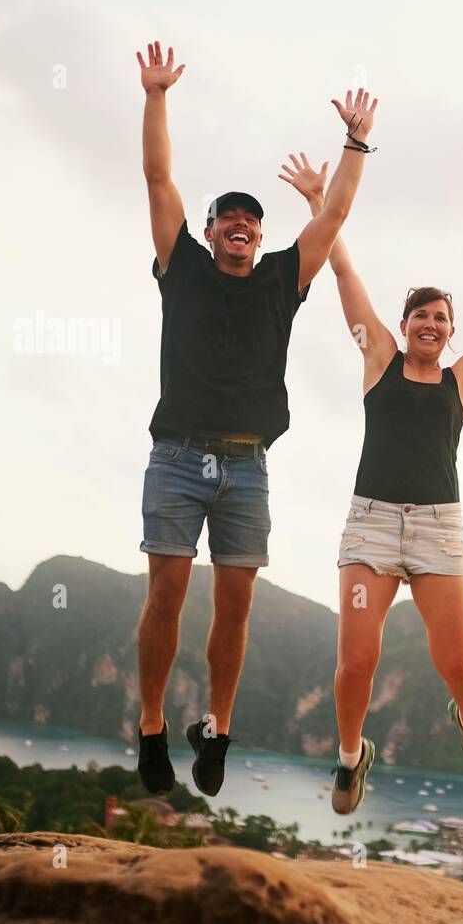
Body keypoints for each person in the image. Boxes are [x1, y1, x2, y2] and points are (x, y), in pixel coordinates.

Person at [134, 41, 378, 798]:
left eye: (250, 219)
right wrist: (157, 96)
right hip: (177, 457)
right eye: (227, 218)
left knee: (235, 605)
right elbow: (158, 178)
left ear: (260, 236)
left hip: (247, 464)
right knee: (167, 593)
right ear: (210, 232)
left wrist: (355, 142)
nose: (239, 224)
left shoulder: (282, 278)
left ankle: (217, 728)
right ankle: (151, 727)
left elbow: (335, 212)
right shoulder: (182, 267)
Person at [280, 154, 463, 814]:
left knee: (458, 665)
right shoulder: (378, 358)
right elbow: (343, 271)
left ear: (452, 332)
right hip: (371, 526)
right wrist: (319, 202)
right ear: (403, 326)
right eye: (420, 316)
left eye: (441, 318)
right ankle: (351, 757)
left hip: (438, 531)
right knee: (356, 661)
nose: (431, 324)